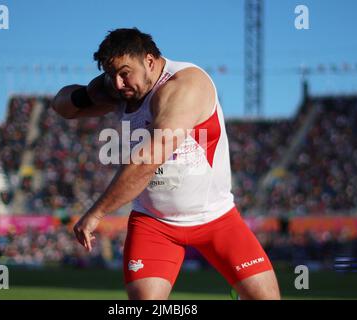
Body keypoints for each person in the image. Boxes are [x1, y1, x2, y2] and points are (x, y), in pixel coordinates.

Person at [52, 28, 280, 300]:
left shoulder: (184, 86)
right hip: (154, 223)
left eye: (125, 73)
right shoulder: (118, 89)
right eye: (112, 75)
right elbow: (62, 107)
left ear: (150, 61)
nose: (119, 83)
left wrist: (98, 212)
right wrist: (91, 92)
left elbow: (149, 158)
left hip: (216, 219)